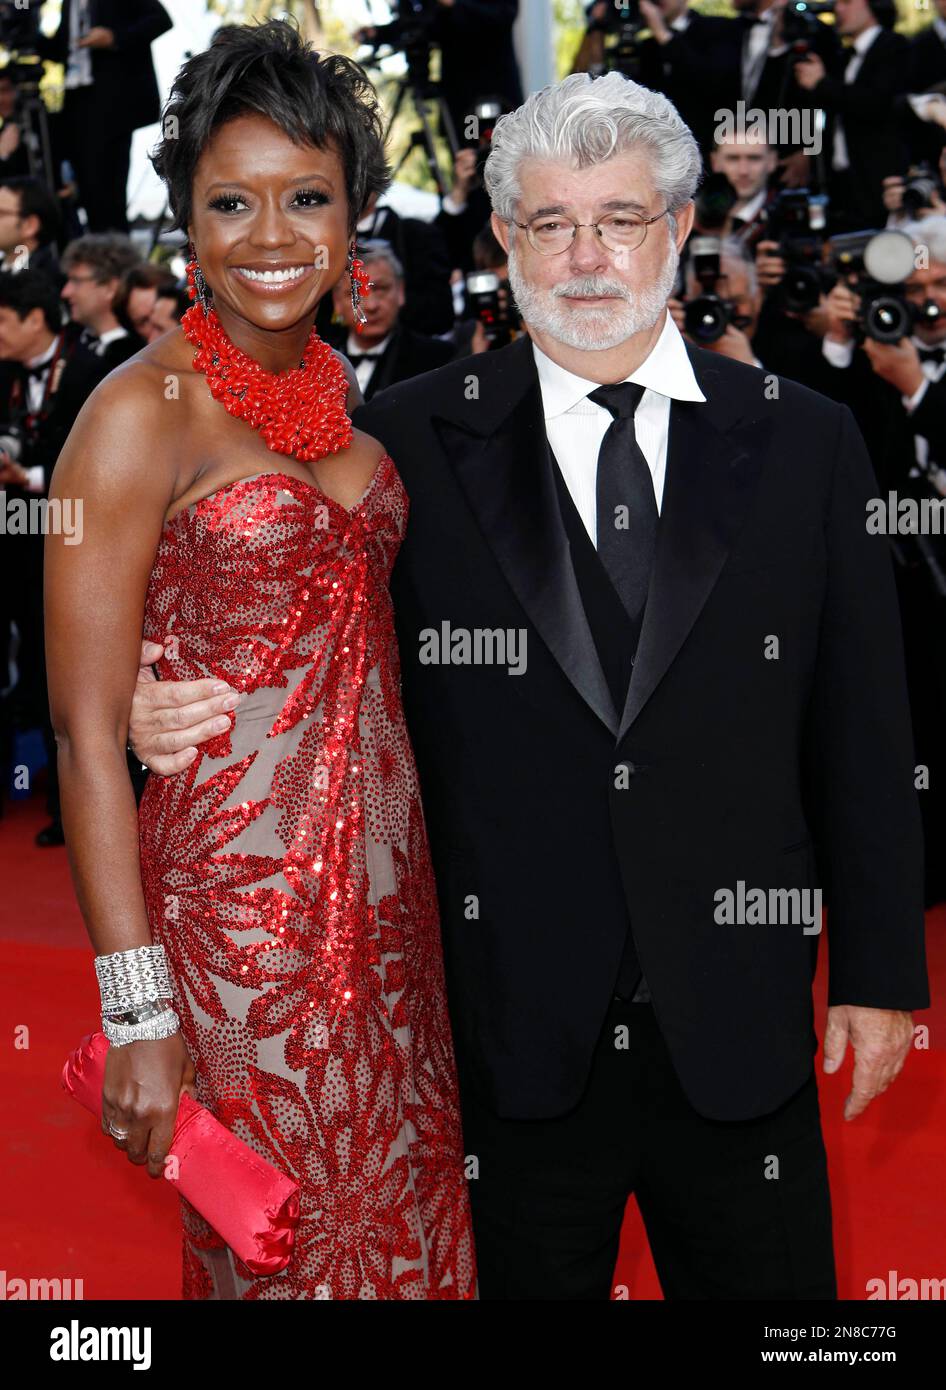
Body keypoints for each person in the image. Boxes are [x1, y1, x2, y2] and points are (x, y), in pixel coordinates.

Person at [128, 71, 929, 1301]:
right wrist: (155, 706)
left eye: (620, 218)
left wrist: (876, 977)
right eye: (551, 222)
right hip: (499, 1033)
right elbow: (308, 658)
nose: (587, 255)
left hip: (739, 1018)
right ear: (505, 237)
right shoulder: (403, 440)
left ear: (678, 226)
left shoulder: (806, 437)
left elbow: (864, 732)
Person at [44, 21, 475, 1302]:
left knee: (412, 1247)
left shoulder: (351, 412)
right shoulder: (137, 413)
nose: (270, 235)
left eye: (307, 198)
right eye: (232, 201)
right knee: (290, 1262)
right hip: (239, 940)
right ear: (185, 215)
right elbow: (82, 736)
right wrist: (139, 1012)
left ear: (355, 214)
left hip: (393, 928)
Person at [36, 0, 173, 234]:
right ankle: (95, 245)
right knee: (87, 192)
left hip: (111, 106)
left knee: (108, 196)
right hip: (76, 104)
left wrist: (114, 38)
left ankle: (113, 250)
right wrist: (28, 31)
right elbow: (62, 47)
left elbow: (160, 20)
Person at [326, 240, 455, 401]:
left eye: (381, 289)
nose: (372, 305)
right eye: (356, 293)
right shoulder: (315, 361)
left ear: (400, 291)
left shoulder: (438, 360)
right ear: (337, 302)